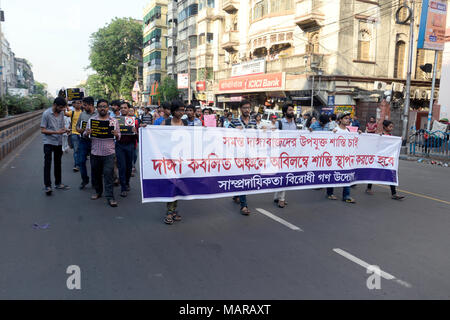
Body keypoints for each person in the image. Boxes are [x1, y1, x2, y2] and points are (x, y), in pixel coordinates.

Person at [84, 99, 121, 207]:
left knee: (108, 175)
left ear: (108, 108)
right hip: (95, 152)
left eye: (104, 106)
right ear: (97, 108)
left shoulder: (113, 121)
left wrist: (116, 134)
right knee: (96, 175)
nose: (102, 108)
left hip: (109, 153)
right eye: (100, 106)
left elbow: (119, 136)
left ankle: (110, 197)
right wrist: (87, 133)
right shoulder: (92, 120)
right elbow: (85, 134)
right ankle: (98, 192)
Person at [228, 100, 257, 216]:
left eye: (248, 108)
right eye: (244, 108)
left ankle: (236, 195)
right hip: (238, 155)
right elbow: (226, 135)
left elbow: (257, 136)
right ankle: (244, 205)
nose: (247, 110)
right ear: (240, 109)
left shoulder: (253, 122)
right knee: (243, 178)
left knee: (245, 177)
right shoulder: (235, 122)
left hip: (249, 154)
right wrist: (235, 131)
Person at [162, 100, 188, 225]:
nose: (181, 112)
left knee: (178, 184)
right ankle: (169, 212)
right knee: (173, 183)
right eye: (179, 110)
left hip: (182, 160)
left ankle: (173, 210)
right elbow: (156, 134)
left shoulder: (186, 123)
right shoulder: (166, 123)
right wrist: (146, 129)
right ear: (173, 111)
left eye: (183, 110)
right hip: (169, 159)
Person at [366, 120, 405, 200]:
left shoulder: (391, 136)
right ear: (385, 127)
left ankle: (394, 193)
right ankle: (368, 188)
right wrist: (378, 137)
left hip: (388, 159)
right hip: (379, 158)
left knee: (391, 173)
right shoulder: (380, 135)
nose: (391, 128)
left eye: (392, 126)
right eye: (390, 126)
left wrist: (399, 140)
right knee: (374, 172)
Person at [40, 97, 71, 195]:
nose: (62, 110)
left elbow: (62, 126)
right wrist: (56, 132)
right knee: (48, 164)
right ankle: (47, 186)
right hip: (48, 142)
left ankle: (58, 183)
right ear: (55, 105)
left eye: (63, 108)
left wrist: (65, 130)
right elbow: (43, 130)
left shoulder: (61, 113)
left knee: (58, 163)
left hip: (58, 141)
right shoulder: (46, 114)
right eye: (61, 107)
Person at [328, 112, 356, 203]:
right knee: (333, 175)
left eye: (348, 118)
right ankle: (329, 193)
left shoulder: (348, 131)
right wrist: (331, 134)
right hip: (335, 158)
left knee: (347, 176)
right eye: (345, 118)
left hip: (345, 158)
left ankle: (346, 196)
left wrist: (359, 134)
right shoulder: (335, 130)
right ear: (340, 119)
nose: (348, 120)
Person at [273, 103, 298, 208]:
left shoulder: (294, 123)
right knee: (282, 175)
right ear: (284, 112)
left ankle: (278, 197)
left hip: (290, 154)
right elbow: (273, 137)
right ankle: (280, 198)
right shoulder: (279, 123)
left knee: (285, 175)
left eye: (292, 110)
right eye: (290, 110)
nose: (292, 112)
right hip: (280, 154)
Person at [115, 102, 138, 198]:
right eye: (121, 108)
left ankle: (127, 182)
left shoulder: (135, 121)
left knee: (129, 167)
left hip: (130, 145)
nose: (123, 109)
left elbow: (139, 137)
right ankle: (123, 188)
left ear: (129, 109)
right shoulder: (116, 120)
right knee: (122, 167)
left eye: (125, 108)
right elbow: (111, 134)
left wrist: (135, 132)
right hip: (119, 145)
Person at [76, 96, 97, 190]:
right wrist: (79, 129)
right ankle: (84, 179)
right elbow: (77, 126)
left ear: (91, 105)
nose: (83, 107)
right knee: (81, 161)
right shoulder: (82, 114)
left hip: (94, 141)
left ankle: (94, 181)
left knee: (94, 163)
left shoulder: (98, 114)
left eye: (85, 105)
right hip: (83, 140)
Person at [65, 99, 83, 172]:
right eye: (76, 103)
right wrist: (65, 104)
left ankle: (81, 162)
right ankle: (77, 165)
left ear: (81, 104)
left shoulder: (84, 113)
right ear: (74, 105)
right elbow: (65, 114)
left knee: (82, 150)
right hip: (74, 133)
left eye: (79, 103)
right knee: (76, 150)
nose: (78, 104)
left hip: (83, 134)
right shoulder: (72, 112)